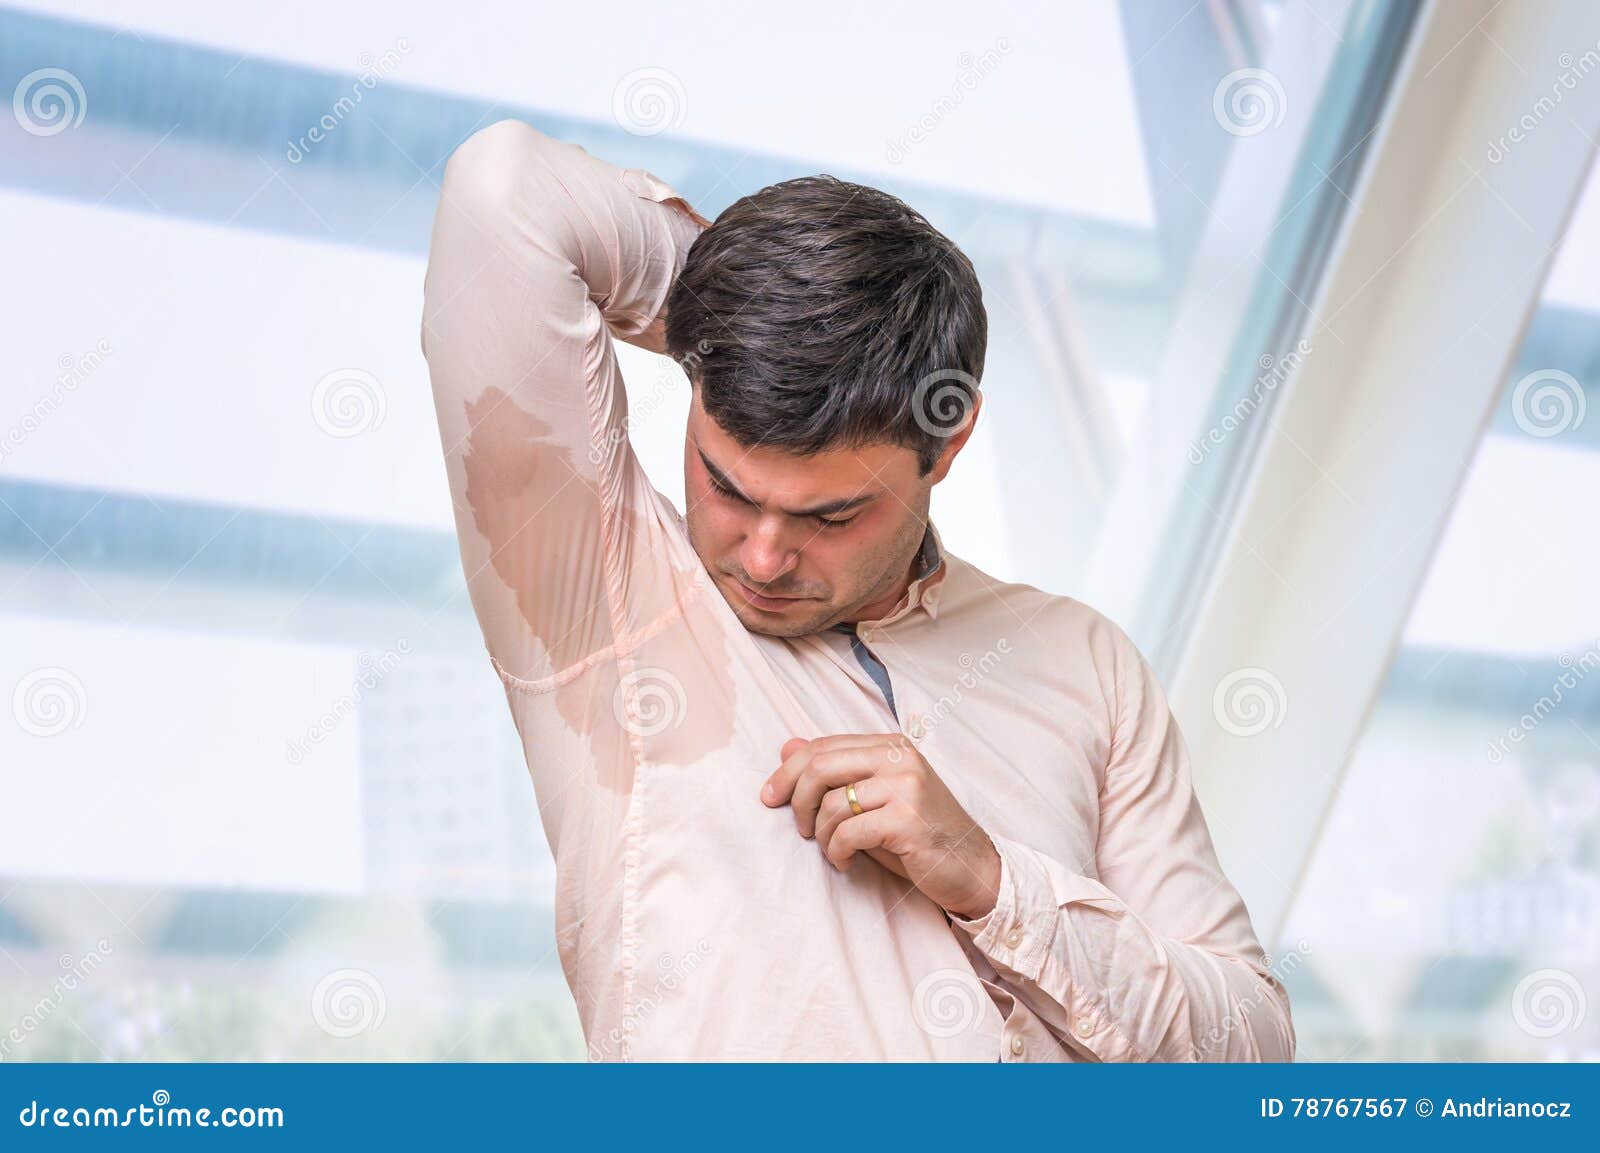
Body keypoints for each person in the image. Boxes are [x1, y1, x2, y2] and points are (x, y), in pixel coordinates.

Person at [419, 118, 1295, 1061]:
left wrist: (992, 880)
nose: (758, 558)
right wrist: (753, 315)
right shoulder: (606, 592)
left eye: (830, 517)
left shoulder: (1085, 663)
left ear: (946, 442)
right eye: (725, 486)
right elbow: (500, 193)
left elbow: (1251, 1049)